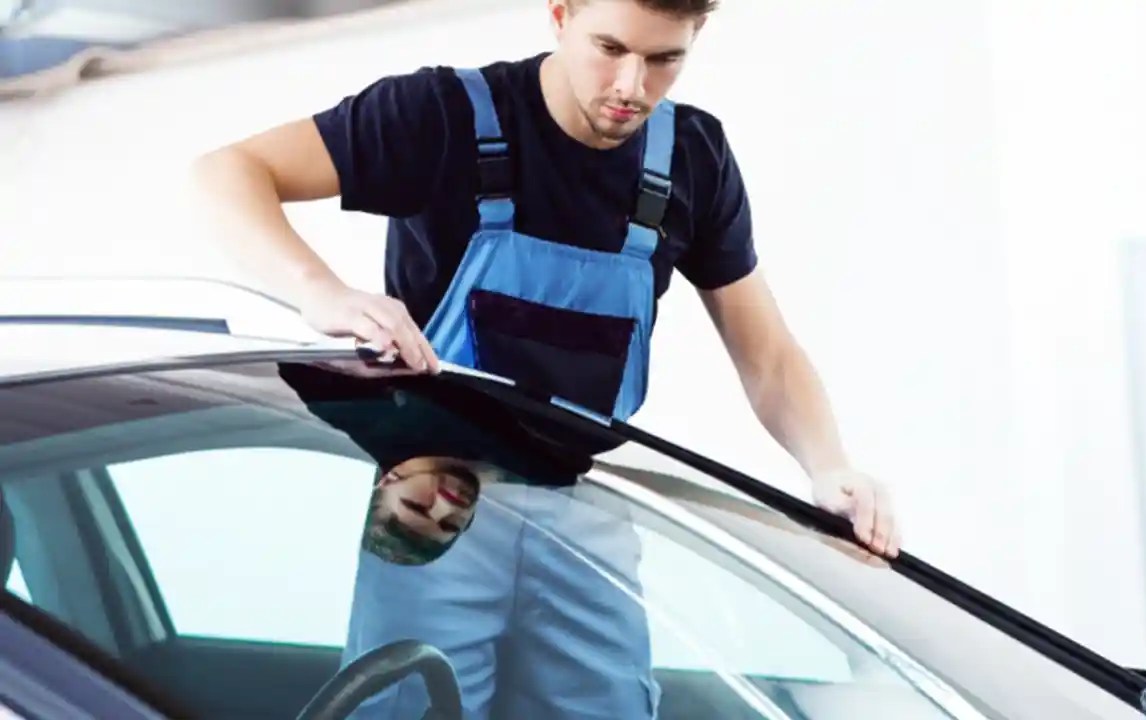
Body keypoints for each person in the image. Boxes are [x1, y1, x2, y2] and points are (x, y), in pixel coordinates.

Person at [194, 0, 902, 716]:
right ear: (560, 14)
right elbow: (230, 170)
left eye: (664, 60)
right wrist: (322, 292)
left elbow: (769, 353)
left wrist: (828, 466)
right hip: (434, 507)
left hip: (584, 515)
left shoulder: (691, 157)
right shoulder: (441, 115)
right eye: (610, 47)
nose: (632, 85)